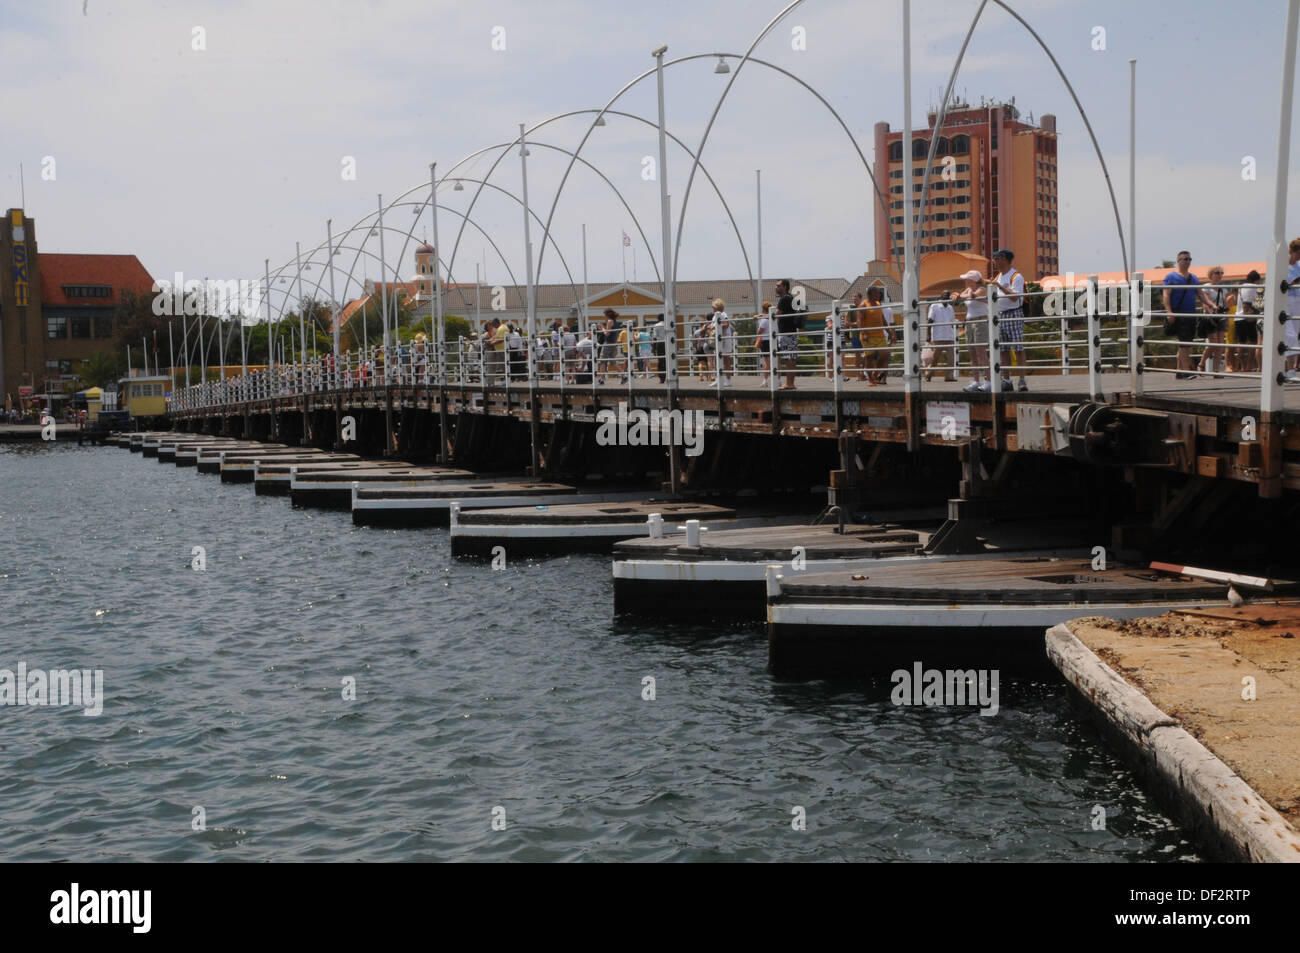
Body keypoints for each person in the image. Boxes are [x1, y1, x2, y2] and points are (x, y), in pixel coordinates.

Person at [989, 249, 1027, 391]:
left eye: (996, 258)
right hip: (1000, 315)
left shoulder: (1016, 276)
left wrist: (999, 286)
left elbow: (1015, 297)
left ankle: (1022, 380)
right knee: (1003, 349)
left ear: (1004, 258)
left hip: (1013, 313)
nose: (994, 261)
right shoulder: (998, 276)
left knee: (1018, 348)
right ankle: (1007, 380)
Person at [1163, 251, 1205, 378]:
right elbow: (1166, 295)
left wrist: (1211, 305)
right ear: (1178, 261)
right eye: (1185, 259)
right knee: (1184, 343)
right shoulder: (1171, 277)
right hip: (1179, 314)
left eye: (1189, 259)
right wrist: (1169, 312)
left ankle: (1180, 371)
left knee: (1186, 343)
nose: (1187, 261)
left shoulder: (1194, 278)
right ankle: (1186, 371)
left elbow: (1200, 294)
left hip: (1191, 314)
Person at [956, 270, 991, 392]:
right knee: (972, 352)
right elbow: (960, 296)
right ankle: (976, 381)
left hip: (980, 321)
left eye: (967, 279)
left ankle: (989, 380)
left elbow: (973, 296)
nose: (965, 281)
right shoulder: (968, 289)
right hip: (969, 322)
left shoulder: (982, 289)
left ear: (974, 280)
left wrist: (960, 296)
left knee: (981, 352)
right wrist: (957, 295)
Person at [1197, 266, 1229, 375]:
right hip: (1210, 318)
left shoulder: (1223, 289)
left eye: (1221, 273)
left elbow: (1224, 304)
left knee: (1220, 345)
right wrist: (1211, 315)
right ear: (1211, 275)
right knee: (1213, 343)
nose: (1220, 275)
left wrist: (1225, 315)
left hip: (1221, 318)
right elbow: (1205, 303)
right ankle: (1201, 364)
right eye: (1217, 273)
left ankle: (1216, 371)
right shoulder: (1206, 287)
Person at [859, 286, 892, 385]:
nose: (879, 295)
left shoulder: (878, 304)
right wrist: (864, 334)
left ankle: (875, 373)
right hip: (868, 336)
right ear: (871, 294)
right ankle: (871, 379)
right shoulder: (863, 305)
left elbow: (883, 320)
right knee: (869, 358)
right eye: (877, 293)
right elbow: (859, 321)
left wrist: (890, 333)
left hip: (880, 335)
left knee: (884, 355)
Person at [773, 279, 802, 390]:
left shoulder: (784, 298)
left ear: (785, 287)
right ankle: (791, 383)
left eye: (778, 285)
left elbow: (776, 314)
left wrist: (762, 315)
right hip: (792, 331)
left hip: (786, 332)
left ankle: (789, 384)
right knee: (791, 357)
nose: (776, 287)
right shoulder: (790, 297)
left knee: (788, 358)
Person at [1233, 269, 1261, 374]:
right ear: (1256, 280)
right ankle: (1250, 365)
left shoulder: (1241, 287)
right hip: (1250, 317)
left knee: (1241, 342)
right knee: (1253, 342)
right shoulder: (1255, 287)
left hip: (1238, 317)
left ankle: (1243, 366)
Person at [925, 294, 958, 382]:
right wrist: (928, 334)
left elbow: (952, 321)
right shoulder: (934, 306)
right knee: (935, 358)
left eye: (948, 296)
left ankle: (949, 376)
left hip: (949, 336)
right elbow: (930, 321)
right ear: (941, 297)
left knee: (951, 358)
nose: (946, 298)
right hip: (938, 336)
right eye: (945, 296)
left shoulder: (950, 307)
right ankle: (929, 373)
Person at [1287, 238, 1300, 378]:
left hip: (1298, 300)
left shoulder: (1299, 266)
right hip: (1286, 300)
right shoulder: (1281, 264)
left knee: (1295, 334)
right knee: (1289, 335)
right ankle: (1289, 370)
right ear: (1292, 251)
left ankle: (1290, 370)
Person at [755, 302, 772, 383]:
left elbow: (759, 332)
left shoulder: (764, 320)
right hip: (773, 340)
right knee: (774, 359)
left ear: (764, 309)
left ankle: (765, 380)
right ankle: (777, 379)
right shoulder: (773, 317)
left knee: (767, 361)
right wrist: (759, 316)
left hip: (765, 341)